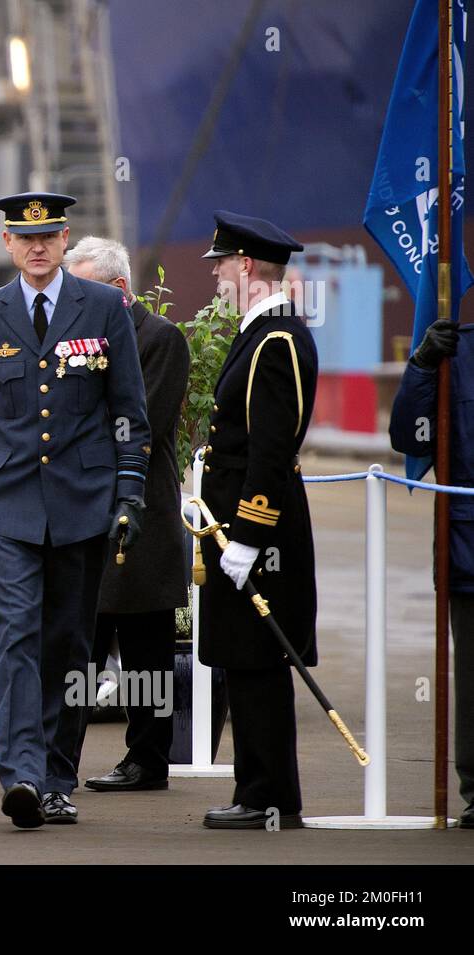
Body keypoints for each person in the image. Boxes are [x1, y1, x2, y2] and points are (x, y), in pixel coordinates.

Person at [0, 193, 151, 829]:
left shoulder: (107, 308)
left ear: (65, 241)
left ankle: (59, 774)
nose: (37, 246)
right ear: (7, 243)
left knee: (69, 642)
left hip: (81, 504)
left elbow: (128, 410)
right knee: (17, 636)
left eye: (50, 235)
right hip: (6, 503)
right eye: (24, 236)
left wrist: (130, 493)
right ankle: (24, 776)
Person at [196, 210, 317, 830]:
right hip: (238, 533)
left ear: (246, 265)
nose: (215, 275)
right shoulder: (259, 334)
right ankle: (259, 790)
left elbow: (272, 450)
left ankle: (267, 797)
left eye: (221, 264)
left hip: (258, 536)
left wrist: (247, 537)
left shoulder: (278, 341)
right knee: (243, 658)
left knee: (258, 661)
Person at [61, 236, 190, 794]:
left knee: (146, 652)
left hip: (140, 517)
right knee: (78, 649)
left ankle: (148, 760)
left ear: (118, 289)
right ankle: (58, 758)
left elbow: (141, 424)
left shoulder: (159, 339)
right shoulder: (79, 334)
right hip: (83, 513)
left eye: (84, 287)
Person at [389, 316, 474, 829]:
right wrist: (422, 365)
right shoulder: (455, 353)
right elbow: (408, 436)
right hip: (470, 548)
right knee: (471, 679)